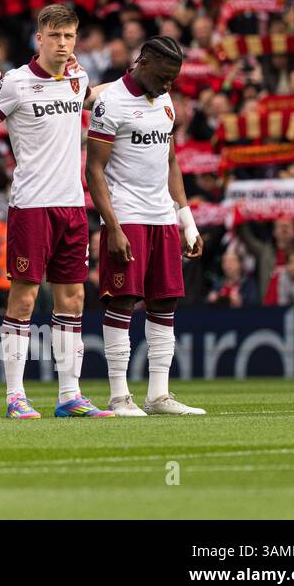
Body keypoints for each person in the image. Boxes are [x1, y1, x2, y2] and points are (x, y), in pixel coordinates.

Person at [0, 4, 113, 418]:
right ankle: (14, 395)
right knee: (23, 299)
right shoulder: (16, 84)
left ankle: (69, 395)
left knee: (73, 298)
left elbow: (97, 96)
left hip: (73, 206)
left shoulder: (78, 79)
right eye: (55, 36)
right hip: (31, 206)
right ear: (38, 38)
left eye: (70, 36)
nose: (63, 44)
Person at [86, 36, 206, 416]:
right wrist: (113, 226)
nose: (169, 84)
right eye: (165, 75)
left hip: (162, 217)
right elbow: (94, 169)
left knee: (164, 303)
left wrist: (187, 222)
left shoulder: (165, 100)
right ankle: (120, 396)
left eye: (174, 78)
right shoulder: (111, 102)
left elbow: (171, 163)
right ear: (144, 62)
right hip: (128, 216)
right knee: (122, 302)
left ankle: (158, 395)